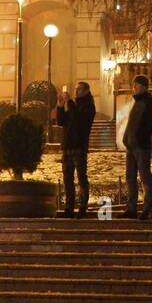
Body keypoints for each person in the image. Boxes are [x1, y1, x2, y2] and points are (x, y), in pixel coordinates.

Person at [122, 75, 152, 219]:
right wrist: (127, 139)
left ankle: (148, 207)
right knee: (130, 177)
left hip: (141, 146)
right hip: (131, 145)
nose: (134, 88)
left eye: (137, 85)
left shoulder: (149, 103)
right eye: (134, 85)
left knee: (145, 176)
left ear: (144, 87)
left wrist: (139, 138)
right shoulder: (138, 102)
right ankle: (131, 208)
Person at [55, 81, 95, 218]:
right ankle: (69, 208)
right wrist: (60, 106)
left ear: (86, 91)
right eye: (76, 89)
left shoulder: (88, 106)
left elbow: (79, 119)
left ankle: (83, 207)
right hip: (67, 146)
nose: (76, 91)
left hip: (79, 147)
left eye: (79, 89)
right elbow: (62, 122)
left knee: (81, 178)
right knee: (67, 180)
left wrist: (69, 102)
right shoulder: (75, 104)